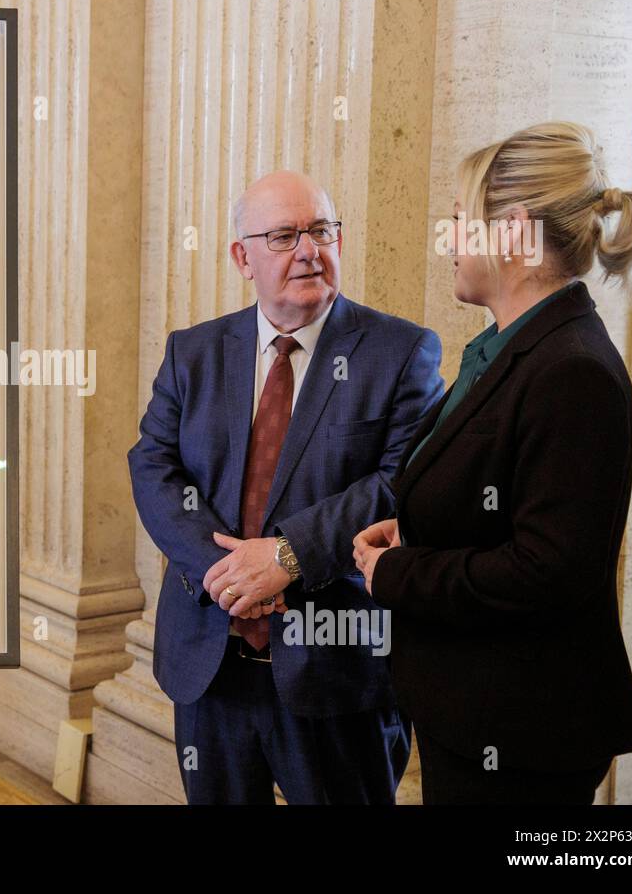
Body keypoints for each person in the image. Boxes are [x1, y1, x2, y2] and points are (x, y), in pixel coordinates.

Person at [353, 121, 632, 803]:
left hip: (524, 729)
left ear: (513, 231)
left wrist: (400, 571)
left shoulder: (572, 370)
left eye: (461, 220)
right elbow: (499, 510)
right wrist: (415, 533)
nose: (450, 241)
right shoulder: (508, 347)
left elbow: (546, 570)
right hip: (473, 708)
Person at [128, 170, 444, 803]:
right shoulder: (195, 351)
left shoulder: (401, 351)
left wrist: (285, 558)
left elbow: (400, 481)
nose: (308, 249)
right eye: (283, 235)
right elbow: (153, 463)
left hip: (335, 669)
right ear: (243, 256)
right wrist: (228, 573)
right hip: (210, 660)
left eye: (321, 230)